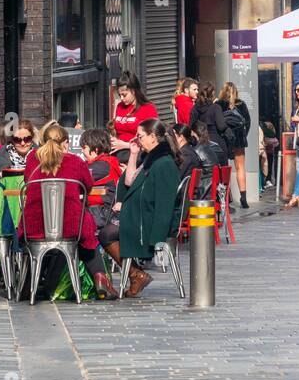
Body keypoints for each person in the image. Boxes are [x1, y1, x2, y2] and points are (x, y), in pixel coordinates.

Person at [20, 128, 117, 300]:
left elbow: (28, 182)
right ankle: (100, 277)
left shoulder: (32, 160)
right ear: (66, 143)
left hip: (34, 226)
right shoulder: (75, 162)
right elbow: (87, 186)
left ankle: (30, 285)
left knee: (38, 244)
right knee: (85, 235)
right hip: (71, 226)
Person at [100, 117, 181, 296]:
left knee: (106, 234)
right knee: (105, 231)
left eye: (140, 136)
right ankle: (136, 275)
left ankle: (135, 274)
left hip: (148, 224)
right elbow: (129, 181)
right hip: (140, 217)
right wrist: (134, 153)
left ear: (153, 137)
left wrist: (156, 239)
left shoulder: (164, 163)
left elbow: (164, 204)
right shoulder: (150, 158)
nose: (137, 140)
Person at [218, 81, 252, 208]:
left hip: (224, 139)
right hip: (238, 139)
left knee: (224, 168)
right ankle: (243, 198)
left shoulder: (218, 104)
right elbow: (248, 122)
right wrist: (243, 135)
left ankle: (226, 198)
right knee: (240, 167)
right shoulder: (241, 104)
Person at [81, 127, 121, 230]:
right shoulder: (105, 162)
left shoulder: (102, 165)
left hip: (102, 214)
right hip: (99, 212)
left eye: (84, 147)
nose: (82, 151)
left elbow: (78, 177)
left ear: (95, 149)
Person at [112, 71, 158, 145]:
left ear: (133, 91)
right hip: (118, 148)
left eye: (124, 95)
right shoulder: (120, 106)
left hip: (137, 150)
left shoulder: (148, 108)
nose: (121, 98)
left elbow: (152, 140)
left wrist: (126, 145)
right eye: (119, 95)